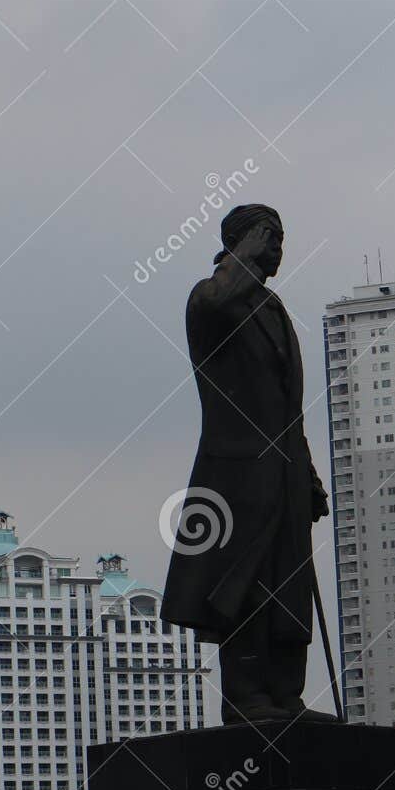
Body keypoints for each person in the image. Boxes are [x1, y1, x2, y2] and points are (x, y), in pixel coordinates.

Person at [161, 204, 337, 723]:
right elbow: (216, 302)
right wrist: (242, 257)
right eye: (268, 236)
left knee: (288, 584)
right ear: (239, 240)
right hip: (236, 472)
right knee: (244, 584)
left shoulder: (273, 308)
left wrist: (306, 472)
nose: (278, 247)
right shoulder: (210, 299)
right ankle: (246, 696)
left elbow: (287, 406)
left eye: (280, 237)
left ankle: (286, 694)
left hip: (284, 472)